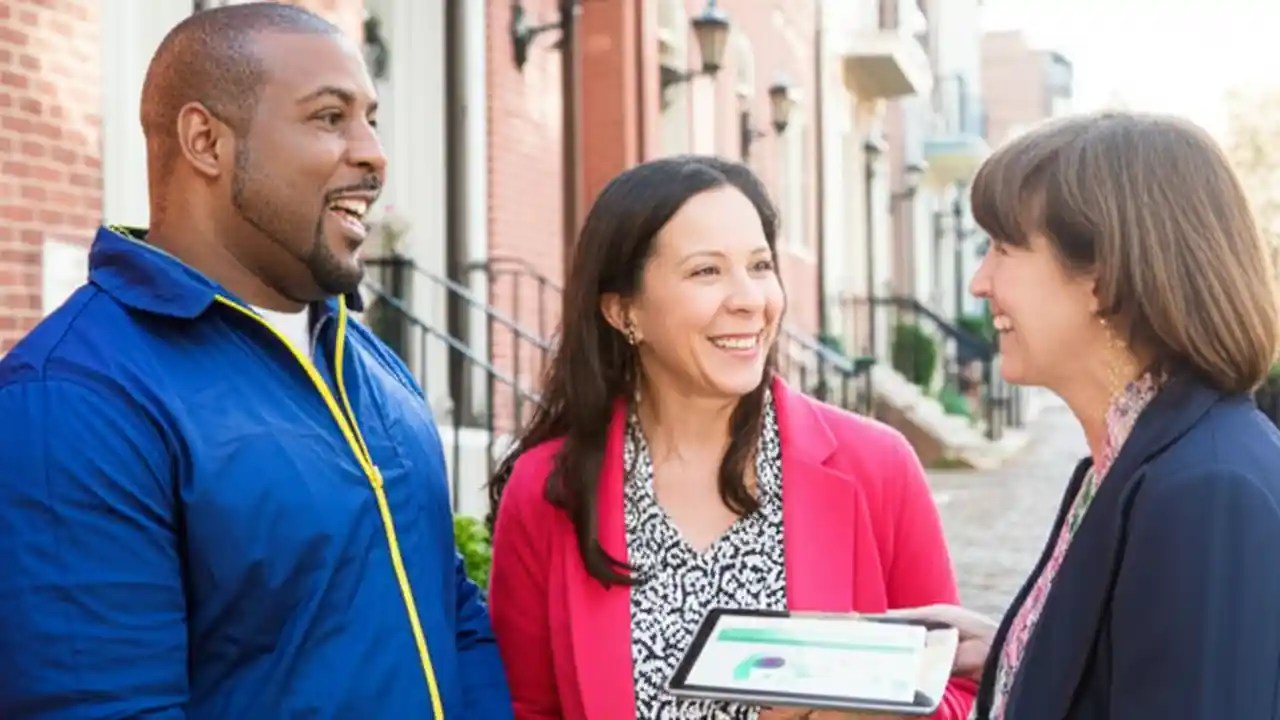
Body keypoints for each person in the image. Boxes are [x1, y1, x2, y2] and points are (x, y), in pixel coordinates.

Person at [0, 4, 510, 718]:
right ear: (205, 140)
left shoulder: (369, 363)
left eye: (371, 119)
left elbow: (451, 614)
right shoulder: (74, 399)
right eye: (330, 118)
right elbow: (98, 703)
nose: (373, 154)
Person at [485, 155, 976, 720]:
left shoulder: (876, 466)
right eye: (706, 272)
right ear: (624, 312)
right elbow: (527, 708)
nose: (749, 299)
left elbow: (955, 688)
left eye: (760, 266)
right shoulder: (550, 489)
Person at [896, 111, 1280, 719]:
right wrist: (1019, 653)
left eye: (1002, 248)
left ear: (1102, 277)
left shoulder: (1207, 492)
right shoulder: (1132, 463)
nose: (979, 282)